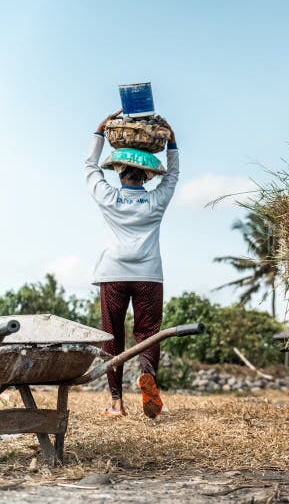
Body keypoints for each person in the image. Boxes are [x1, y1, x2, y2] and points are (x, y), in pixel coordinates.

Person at [86, 110, 179, 418]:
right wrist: (172, 143)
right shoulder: (155, 202)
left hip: (113, 273)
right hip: (148, 275)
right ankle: (148, 377)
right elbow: (174, 176)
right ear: (145, 176)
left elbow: (89, 168)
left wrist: (99, 133)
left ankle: (116, 403)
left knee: (112, 334)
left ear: (120, 172)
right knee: (149, 333)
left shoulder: (109, 198)